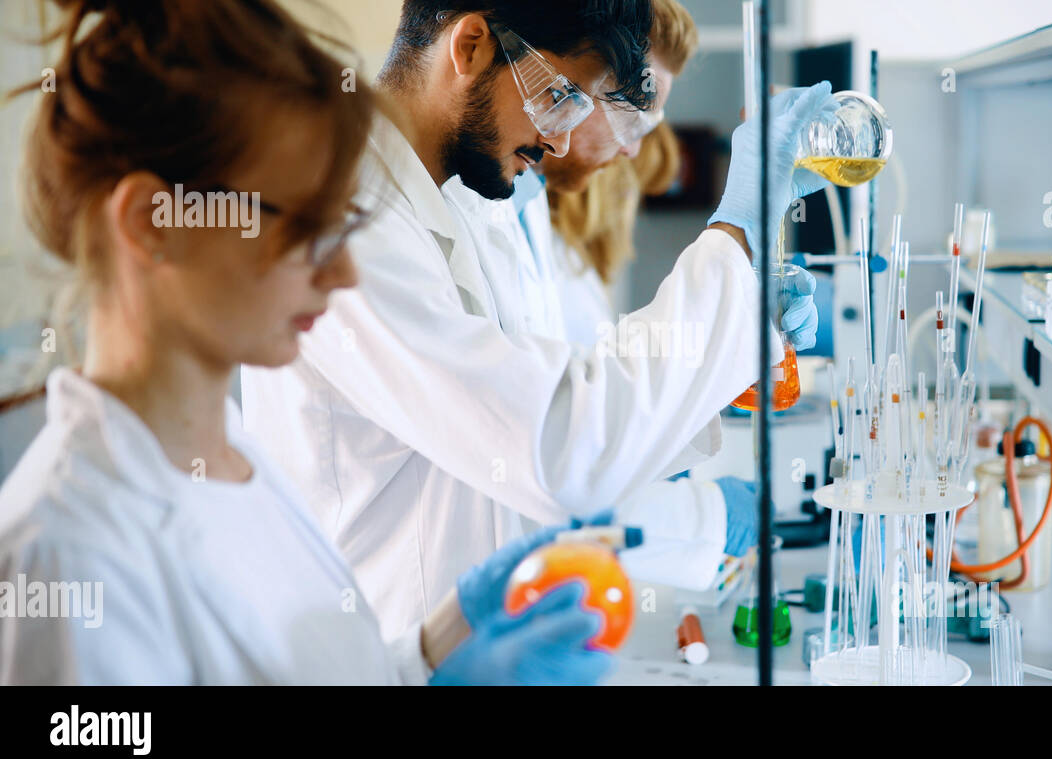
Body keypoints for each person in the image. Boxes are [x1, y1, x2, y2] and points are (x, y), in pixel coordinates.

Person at [0, 0, 608, 686]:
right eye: (304, 227)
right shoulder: (69, 551)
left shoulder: (234, 456)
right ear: (153, 222)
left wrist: (433, 652)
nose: (343, 271)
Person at [241, 0, 838, 638]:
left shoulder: (465, 206)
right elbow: (558, 445)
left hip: (473, 643)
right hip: (382, 646)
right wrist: (734, 238)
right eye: (560, 98)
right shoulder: (351, 220)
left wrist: (738, 325)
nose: (558, 140)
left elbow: (562, 389)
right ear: (470, 45)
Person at [496, 0, 774, 588]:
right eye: (632, 120)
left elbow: (600, 412)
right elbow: (563, 455)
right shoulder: (484, 212)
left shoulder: (523, 215)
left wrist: (714, 372)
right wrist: (707, 516)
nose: (630, 153)